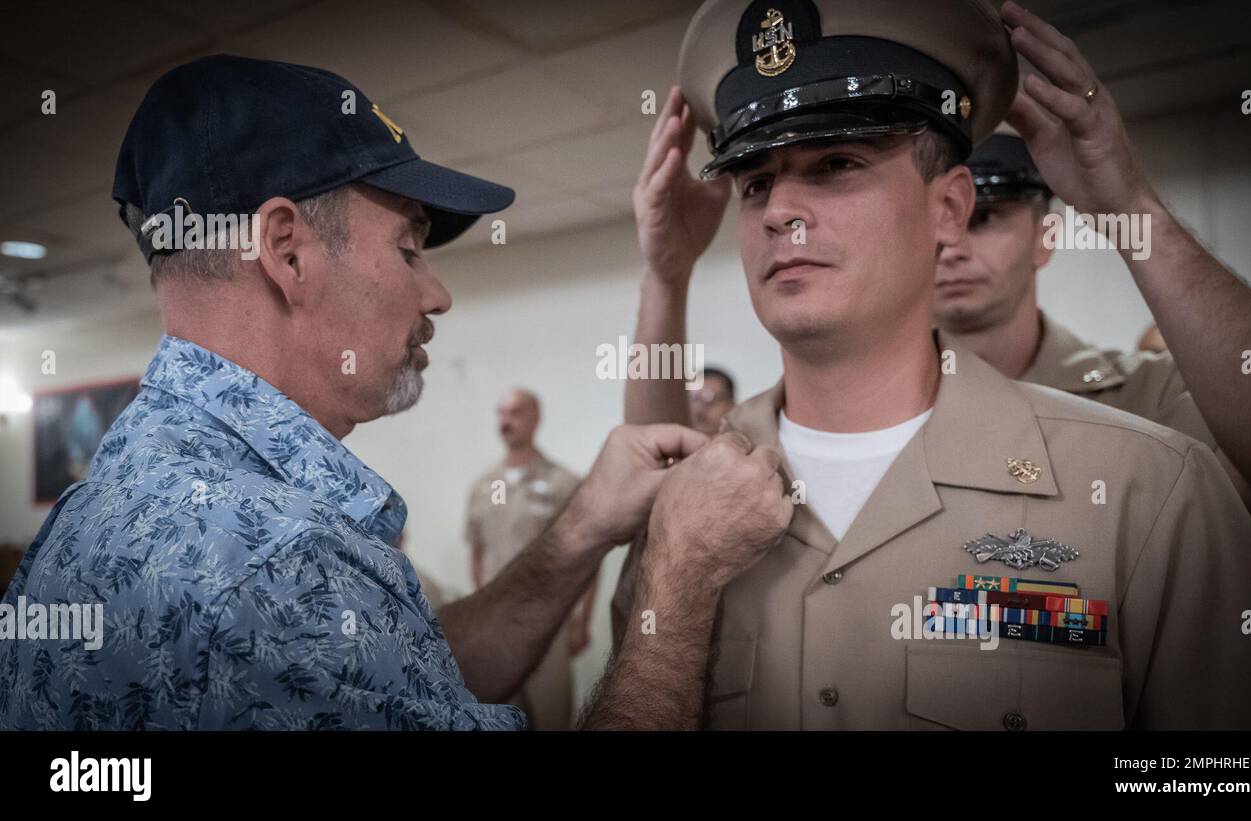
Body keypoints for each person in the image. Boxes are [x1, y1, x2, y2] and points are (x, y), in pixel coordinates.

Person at [0, 54, 793, 731]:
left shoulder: (124, 490)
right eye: (410, 248)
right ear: (287, 252)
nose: (438, 293)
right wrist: (682, 571)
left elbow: (405, 677)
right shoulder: (277, 560)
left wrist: (580, 527)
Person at [612, 0, 1251, 729]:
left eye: (837, 163)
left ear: (949, 207)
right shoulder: (690, 508)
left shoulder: (1144, 490)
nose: (781, 208)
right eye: (753, 182)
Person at [938, 129, 1251, 592]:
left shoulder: (1153, 400)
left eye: (984, 217)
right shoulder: (859, 414)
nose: (953, 249)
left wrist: (1131, 207)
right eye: (937, 222)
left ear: (1045, 237)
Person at [465, 388, 588, 730]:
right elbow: (477, 554)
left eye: (516, 412)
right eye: (501, 412)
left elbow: (585, 557)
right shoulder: (483, 486)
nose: (506, 420)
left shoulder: (563, 483)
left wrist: (581, 620)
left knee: (550, 716)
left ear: (536, 418)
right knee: (495, 718)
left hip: (548, 624)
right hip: (494, 631)